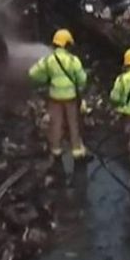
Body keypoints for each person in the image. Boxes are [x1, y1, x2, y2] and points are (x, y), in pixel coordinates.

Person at [29, 29, 89, 161]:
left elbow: (33, 73)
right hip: (71, 98)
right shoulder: (73, 60)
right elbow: (82, 79)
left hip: (54, 97)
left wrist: (46, 79)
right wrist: (80, 88)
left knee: (56, 123)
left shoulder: (48, 60)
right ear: (67, 44)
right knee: (73, 123)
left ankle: (56, 150)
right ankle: (77, 151)